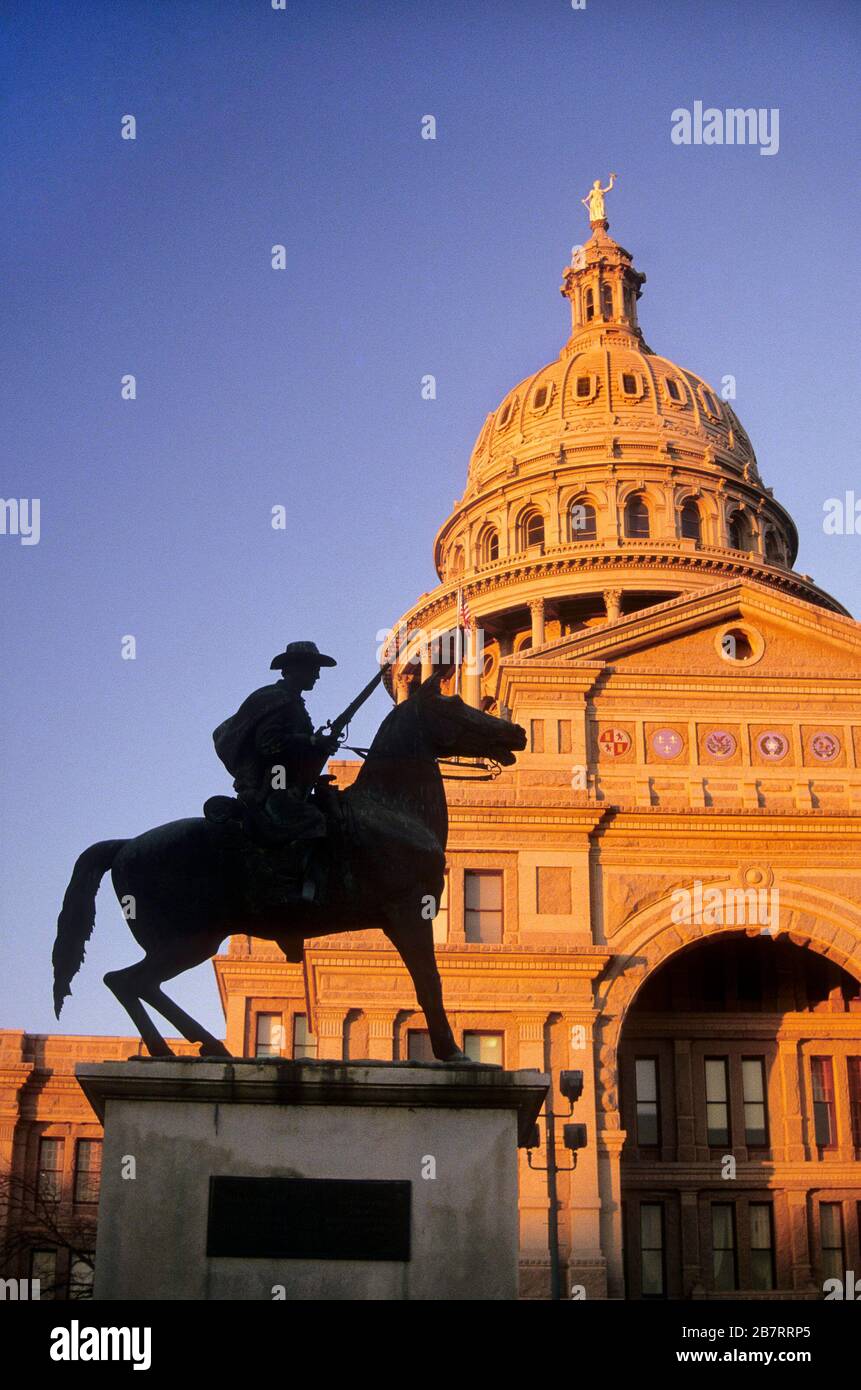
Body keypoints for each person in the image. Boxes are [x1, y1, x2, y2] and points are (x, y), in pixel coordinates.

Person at [205, 640, 340, 905]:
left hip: (288, 780)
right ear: (295, 668)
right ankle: (288, 882)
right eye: (313, 668)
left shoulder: (294, 703)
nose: (317, 675)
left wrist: (318, 745)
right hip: (271, 783)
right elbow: (269, 745)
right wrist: (311, 742)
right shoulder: (275, 700)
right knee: (312, 820)